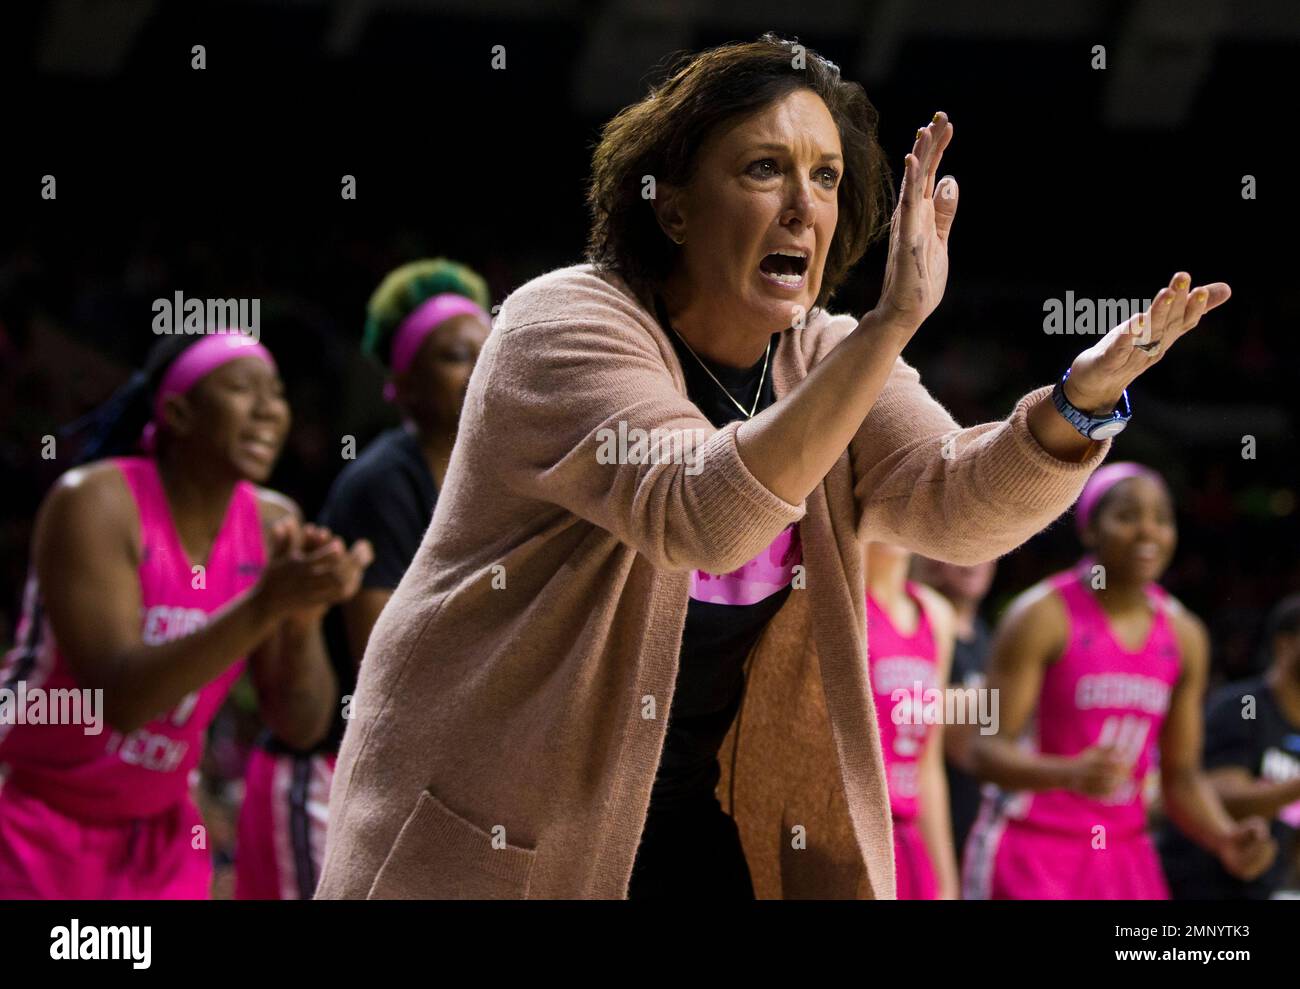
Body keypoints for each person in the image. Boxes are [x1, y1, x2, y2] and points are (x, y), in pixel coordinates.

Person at [317, 34, 1232, 901]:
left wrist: (1076, 403)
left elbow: (954, 503)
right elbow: (701, 516)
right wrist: (889, 327)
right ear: (671, 203)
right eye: (765, 169)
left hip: (688, 818)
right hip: (495, 826)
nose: (804, 205)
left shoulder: (825, 353)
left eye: (826, 176)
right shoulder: (561, 326)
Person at [0, 331, 372, 899]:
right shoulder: (95, 502)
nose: (268, 410)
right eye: (242, 390)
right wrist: (267, 602)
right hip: (32, 810)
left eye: (275, 393)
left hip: (159, 833)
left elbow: (298, 722)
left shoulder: (274, 523)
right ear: (179, 412)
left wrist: (300, 618)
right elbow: (119, 702)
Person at [234, 259, 491, 899]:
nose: (479, 370)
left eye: (489, 353)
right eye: (454, 357)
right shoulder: (381, 483)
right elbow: (390, 664)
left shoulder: (489, 477)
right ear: (400, 386)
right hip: (328, 773)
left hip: (407, 781)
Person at [962, 463, 1276, 899]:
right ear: (1090, 529)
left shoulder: (1185, 635)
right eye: (1127, 516)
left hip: (1125, 852)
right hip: (1033, 846)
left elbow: (1182, 777)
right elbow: (984, 750)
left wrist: (1224, 837)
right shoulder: (1039, 616)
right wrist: (1068, 773)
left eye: (1162, 519)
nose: (1148, 531)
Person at [1159, 594, 1300, 898]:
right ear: (1286, 644)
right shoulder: (1242, 706)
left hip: (1264, 887)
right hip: (1198, 886)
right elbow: (1220, 796)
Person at [865, 542, 959, 899]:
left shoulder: (936, 614)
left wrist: (946, 882)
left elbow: (929, 764)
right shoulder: (838, 601)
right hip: (851, 832)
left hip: (908, 840)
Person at [911, 555, 996, 865]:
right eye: (960, 546)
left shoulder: (987, 635)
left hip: (976, 833)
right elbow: (905, 706)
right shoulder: (917, 624)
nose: (974, 558)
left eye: (988, 546)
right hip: (924, 828)